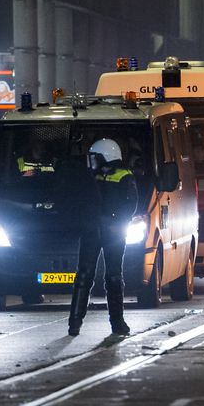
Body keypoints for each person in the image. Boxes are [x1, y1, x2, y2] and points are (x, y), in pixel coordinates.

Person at [68, 139, 139, 337]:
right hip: (94, 231)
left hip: (113, 233)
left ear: (106, 157)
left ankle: (117, 323)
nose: (91, 162)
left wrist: (114, 221)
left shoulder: (125, 177)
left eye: (95, 158)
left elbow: (130, 205)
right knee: (84, 275)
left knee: (114, 277)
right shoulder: (93, 176)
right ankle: (74, 322)